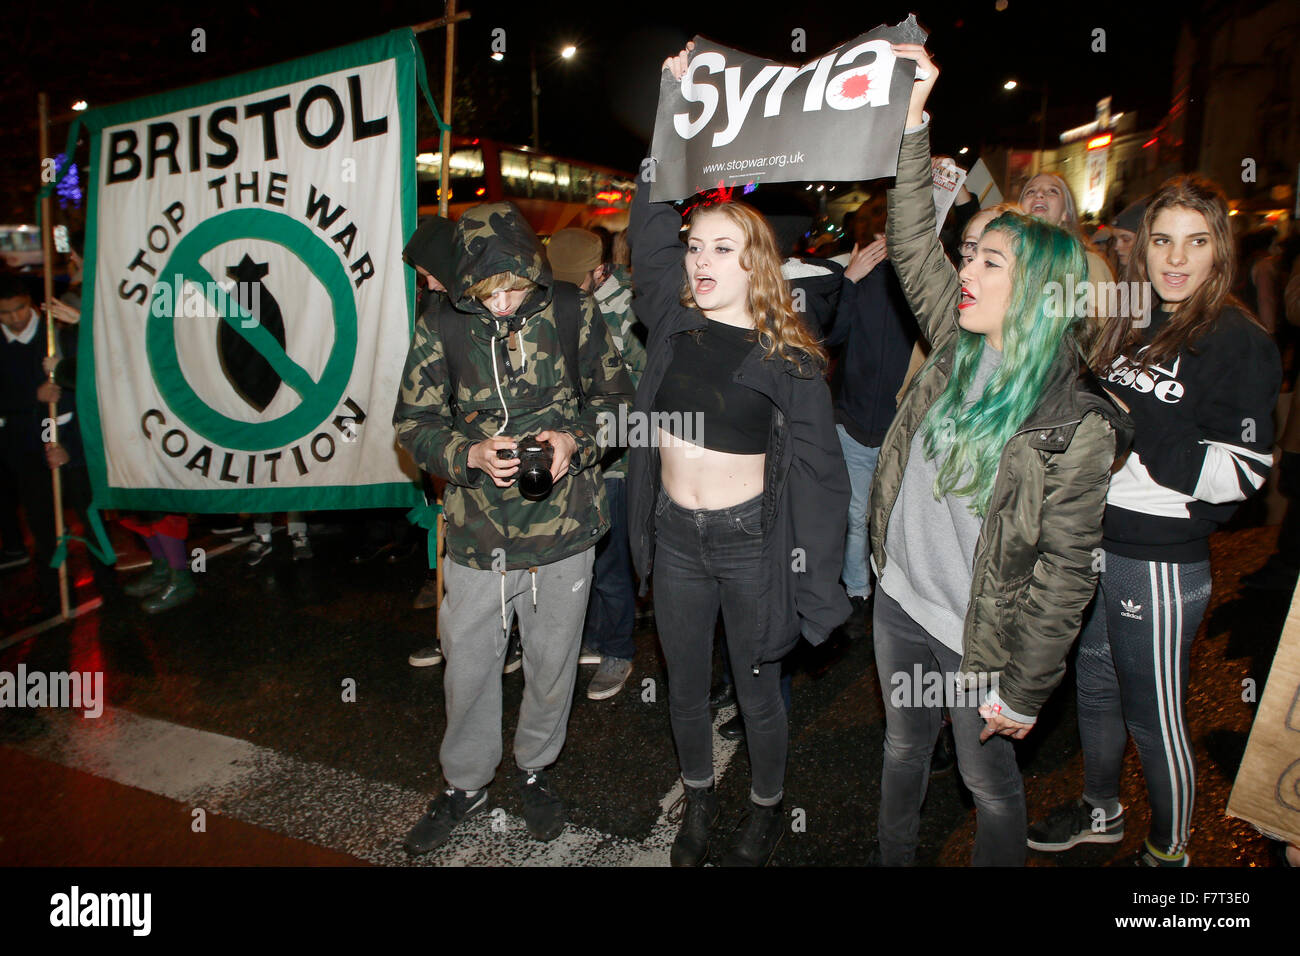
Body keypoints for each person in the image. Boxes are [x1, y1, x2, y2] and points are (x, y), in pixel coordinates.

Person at [869, 45, 1130, 867]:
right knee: (903, 749)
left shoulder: (1076, 420)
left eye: (989, 261)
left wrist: (1023, 689)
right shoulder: (954, 340)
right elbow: (912, 243)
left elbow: (1064, 573)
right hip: (901, 597)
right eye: (970, 254)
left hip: (978, 640)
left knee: (989, 786)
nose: (966, 271)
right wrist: (913, 121)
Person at [627, 43, 850, 868]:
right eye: (697, 247)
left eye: (723, 249)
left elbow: (824, 482)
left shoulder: (789, 358)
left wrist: (818, 583)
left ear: (756, 264)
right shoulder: (671, 319)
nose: (702, 261)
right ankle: (697, 803)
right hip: (676, 540)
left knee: (758, 691)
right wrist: (669, 103)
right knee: (686, 688)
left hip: (755, 543)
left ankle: (764, 805)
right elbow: (649, 224)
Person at [1030, 173, 1282, 867]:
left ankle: (1169, 856)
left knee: (1156, 712)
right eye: (1163, 241)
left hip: (1163, 557)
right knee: (1097, 683)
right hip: (1096, 538)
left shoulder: (1238, 341)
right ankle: (1101, 812)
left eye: (1195, 243)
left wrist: (1137, 422)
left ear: (1219, 250)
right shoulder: (1130, 312)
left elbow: (1241, 477)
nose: (1176, 259)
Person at [393, 201, 633, 855]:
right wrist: (465, 455)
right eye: (489, 291)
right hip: (476, 536)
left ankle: (534, 770)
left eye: (515, 288)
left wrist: (574, 440)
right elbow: (412, 424)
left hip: (566, 533)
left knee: (553, 665)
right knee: (467, 668)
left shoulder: (570, 311)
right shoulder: (441, 322)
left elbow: (619, 404)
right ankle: (465, 783)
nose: (502, 303)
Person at [548, 227, 648, 701]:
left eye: (577, 279)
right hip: (568, 453)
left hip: (614, 459)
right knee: (576, 557)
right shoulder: (558, 300)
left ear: (602, 271)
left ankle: (617, 650)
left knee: (609, 561)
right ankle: (590, 636)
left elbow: (645, 389)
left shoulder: (629, 310)